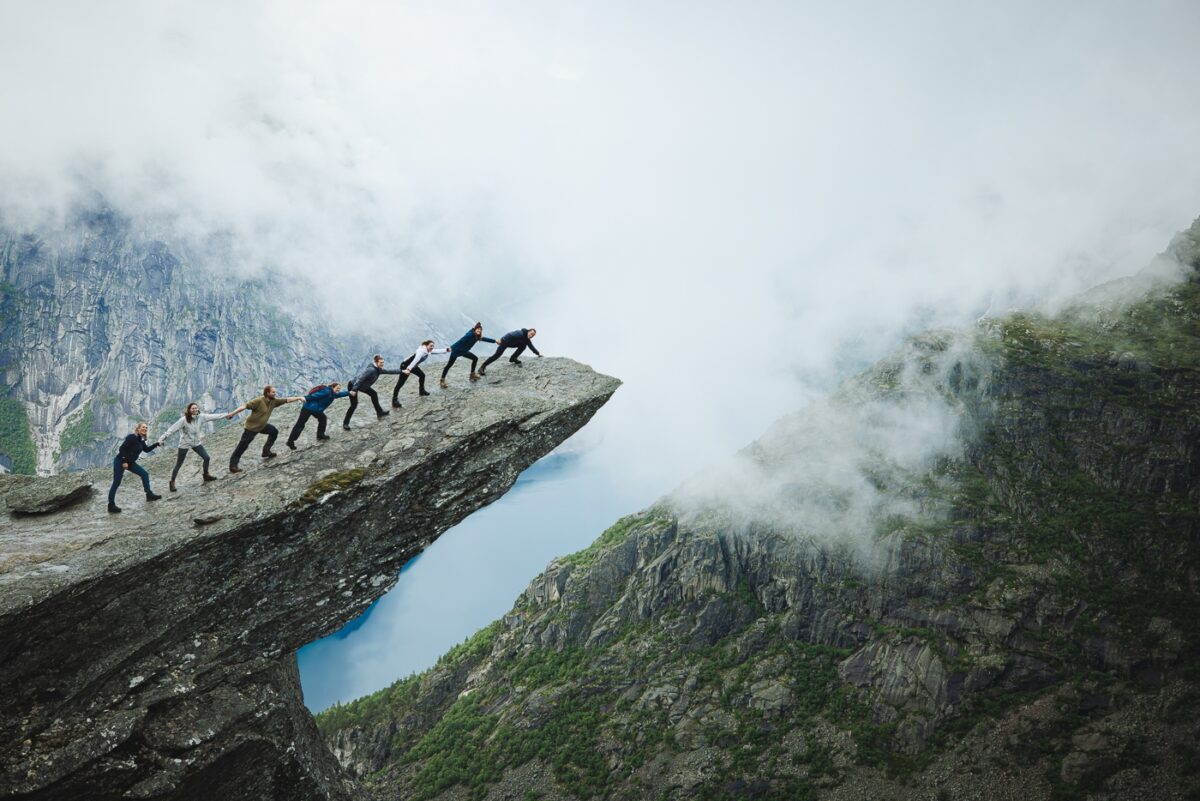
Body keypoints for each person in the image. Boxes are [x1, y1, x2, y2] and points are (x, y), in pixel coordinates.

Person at [227, 385, 303, 473]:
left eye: (275, 392)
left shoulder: (273, 401)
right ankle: (233, 466)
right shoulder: (259, 401)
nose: (275, 394)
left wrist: (299, 398)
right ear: (267, 393)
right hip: (251, 428)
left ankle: (266, 451)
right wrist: (232, 413)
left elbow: (287, 400)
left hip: (262, 426)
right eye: (273, 392)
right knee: (242, 446)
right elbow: (244, 406)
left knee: (274, 432)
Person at [159, 402, 232, 492]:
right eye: (193, 408)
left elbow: (213, 416)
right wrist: (162, 438)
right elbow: (172, 429)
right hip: (184, 443)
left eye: (196, 408)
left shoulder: (201, 417)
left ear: (198, 409)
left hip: (196, 443)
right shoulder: (184, 420)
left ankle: (206, 475)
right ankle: (172, 482)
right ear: (189, 410)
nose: (195, 410)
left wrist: (226, 415)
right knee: (179, 463)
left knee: (206, 458)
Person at [107, 421, 162, 513]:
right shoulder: (132, 437)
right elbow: (122, 448)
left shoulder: (141, 440)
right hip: (120, 461)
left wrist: (157, 444)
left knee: (144, 474)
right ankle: (111, 505)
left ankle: (149, 494)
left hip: (130, 462)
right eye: (143, 427)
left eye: (146, 428)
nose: (145, 429)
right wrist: (124, 461)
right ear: (138, 429)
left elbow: (146, 450)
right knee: (116, 482)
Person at [287, 382, 355, 449]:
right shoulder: (327, 392)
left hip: (316, 410)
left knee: (323, 419)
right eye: (337, 388)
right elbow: (315, 395)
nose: (338, 390)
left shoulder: (332, 393)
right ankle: (290, 441)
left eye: (339, 389)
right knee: (300, 424)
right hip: (308, 408)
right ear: (332, 387)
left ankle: (320, 435)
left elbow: (339, 394)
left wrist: (349, 393)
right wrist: (304, 398)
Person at [344, 354, 402, 429]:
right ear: (376, 362)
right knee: (354, 405)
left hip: (363, 386)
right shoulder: (371, 370)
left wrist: (402, 371)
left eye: (383, 362)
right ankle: (345, 423)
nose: (382, 364)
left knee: (374, 394)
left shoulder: (378, 369)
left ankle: (379, 412)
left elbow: (389, 371)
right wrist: (354, 389)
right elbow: (360, 379)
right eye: (381, 362)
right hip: (353, 385)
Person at [392, 340, 450, 407]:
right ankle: (394, 401)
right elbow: (415, 360)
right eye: (431, 346)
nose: (432, 347)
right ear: (426, 345)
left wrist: (446, 350)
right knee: (400, 383)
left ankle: (421, 391)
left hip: (413, 366)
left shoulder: (428, 350)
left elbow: (436, 351)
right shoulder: (421, 351)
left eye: (433, 346)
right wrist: (408, 369)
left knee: (422, 375)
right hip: (406, 366)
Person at [440, 322, 497, 388]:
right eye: (477, 329)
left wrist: (495, 341)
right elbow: (460, 341)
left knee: (475, 358)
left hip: (464, 352)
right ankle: (442, 380)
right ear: (474, 330)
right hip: (456, 352)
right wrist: (452, 348)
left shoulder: (477, 336)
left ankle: (472, 375)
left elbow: (485, 339)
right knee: (448, 366)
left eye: (480, 329)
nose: (479, 330)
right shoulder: (470, 335)